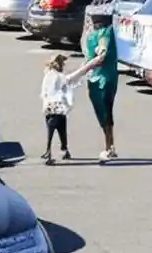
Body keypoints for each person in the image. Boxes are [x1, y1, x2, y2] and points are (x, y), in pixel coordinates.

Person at [82, 12, 120, 162]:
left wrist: (80, 72)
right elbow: (89, 56)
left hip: (104, 79)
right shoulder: (92, 36)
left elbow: (101, 55)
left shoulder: (106, 33)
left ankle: (109, 146)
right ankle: (110, 145)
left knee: (105, 111)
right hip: (96, 78)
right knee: (103, 112)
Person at [39, 54, 86, 164]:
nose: (64, 65)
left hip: (48, 108)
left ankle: (55, 150)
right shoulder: (59, 76)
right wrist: (83, 69)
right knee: (61, 129)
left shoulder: (47, 75)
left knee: (51, 130)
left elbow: (44, 93)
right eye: (62, 63)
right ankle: (56, 150)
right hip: (58, 108)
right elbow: (69, 81)